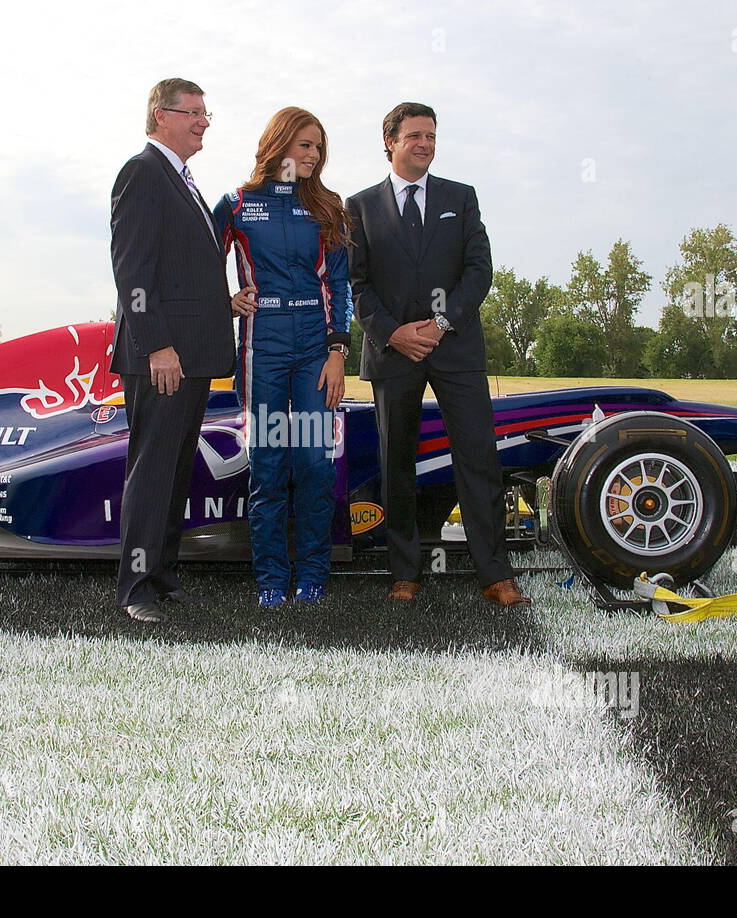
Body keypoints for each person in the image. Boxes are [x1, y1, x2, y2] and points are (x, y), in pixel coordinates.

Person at [346, 102, 529, 608]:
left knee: (479, 459)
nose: (425, 144)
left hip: (456, 348)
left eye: (431, 136)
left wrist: (442, 323)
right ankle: (404, 571)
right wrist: (394, 333)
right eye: (414, 136)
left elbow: (479, 270)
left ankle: (495, 573)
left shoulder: (461, 197)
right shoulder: (357, 207)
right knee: (396, 462)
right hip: (393, 353)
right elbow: (357, 286)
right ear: (390, 142)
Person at [212, 107, 352, 608]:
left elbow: (339, 284)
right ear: (278, 143)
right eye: (305, 145)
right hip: (262, 348)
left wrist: (337, 351)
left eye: (319, 147)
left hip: (315, 350)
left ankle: (312, 574)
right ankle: (271, 579)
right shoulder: (236, 203)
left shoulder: (329, 207)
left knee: (313, 464)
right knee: (269, 466)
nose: (313, 155)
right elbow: (200, 266)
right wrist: (225, 302)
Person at [109, 78, 234, 624]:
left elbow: (179, 273)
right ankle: (136, 586)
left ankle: (162, 574)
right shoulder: (143, 173)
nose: (205, 121)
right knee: (153, 468)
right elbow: (132, 273)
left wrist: (224, 304)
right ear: (162, 116)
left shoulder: (183, 182)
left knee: (176, 469)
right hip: (161, 358)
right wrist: (157, 344)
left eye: (207, 113)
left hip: (190, 355)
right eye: (195, 112)